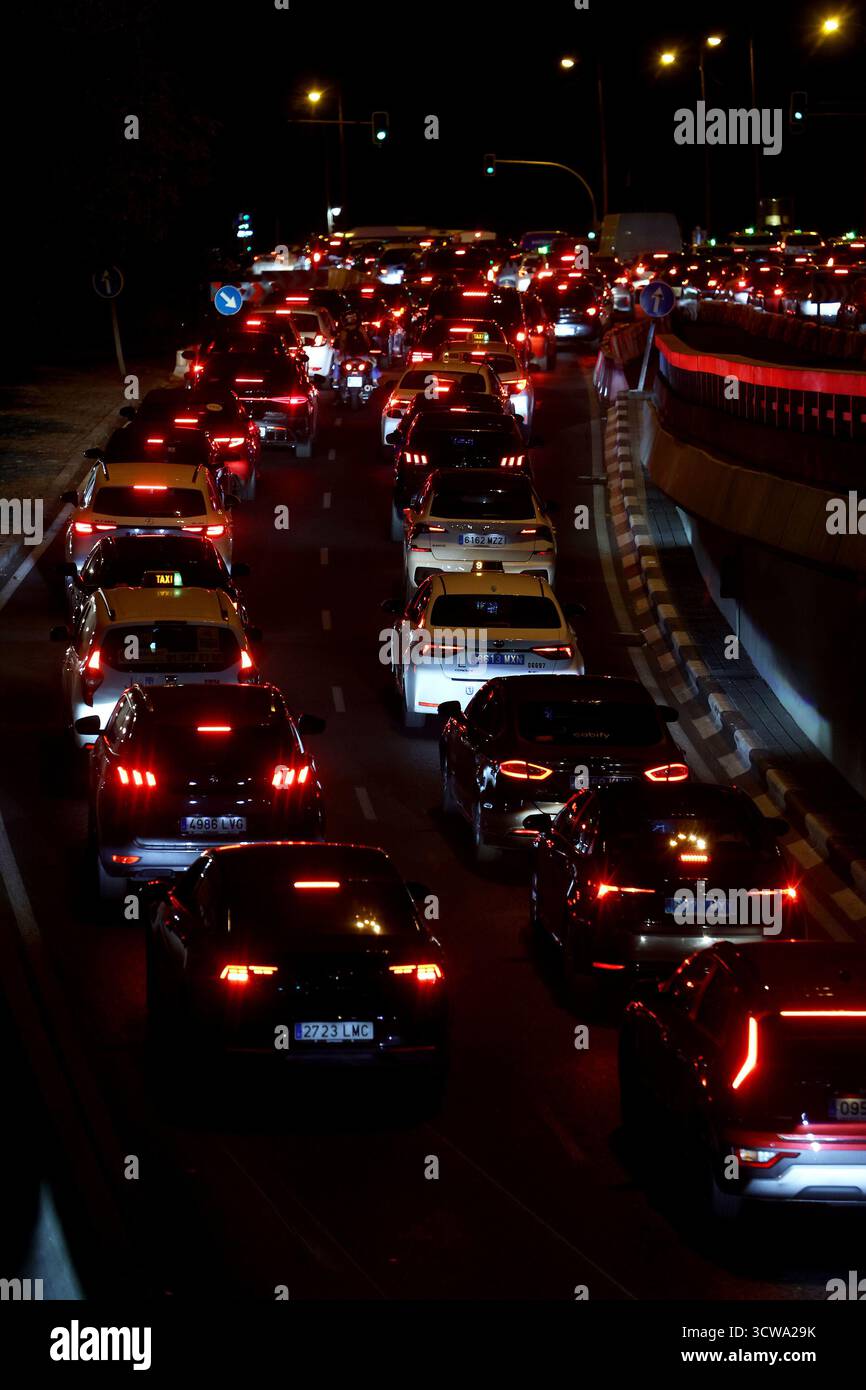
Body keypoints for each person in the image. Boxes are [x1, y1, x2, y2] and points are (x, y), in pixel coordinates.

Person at [331, 311, 378, 384]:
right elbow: (367, 342)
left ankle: (335, 380)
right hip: (362, 355)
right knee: (373, 362)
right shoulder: (361, 329)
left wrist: (342, 353)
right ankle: (375, 380)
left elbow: (341, 345)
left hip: (347, 356)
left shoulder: (344, 331)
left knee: (336, 362)